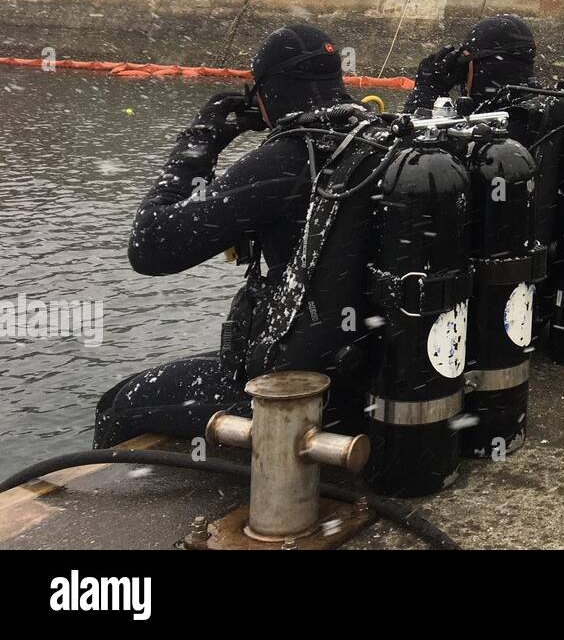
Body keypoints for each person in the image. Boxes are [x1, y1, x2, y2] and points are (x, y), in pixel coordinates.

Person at [94, 24, 376, 447]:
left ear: (264, 95)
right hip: (370, 373)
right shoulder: (380, 139)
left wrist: (198, 143)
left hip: (305, 389)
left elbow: (151, 247)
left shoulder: (286, 160)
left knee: (119, 402)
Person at [405, 13, 538, 114]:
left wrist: (426, 93)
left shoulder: (484, 126)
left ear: (483, 68)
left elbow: (407, 146)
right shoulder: (540, 108)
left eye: (465, 63)